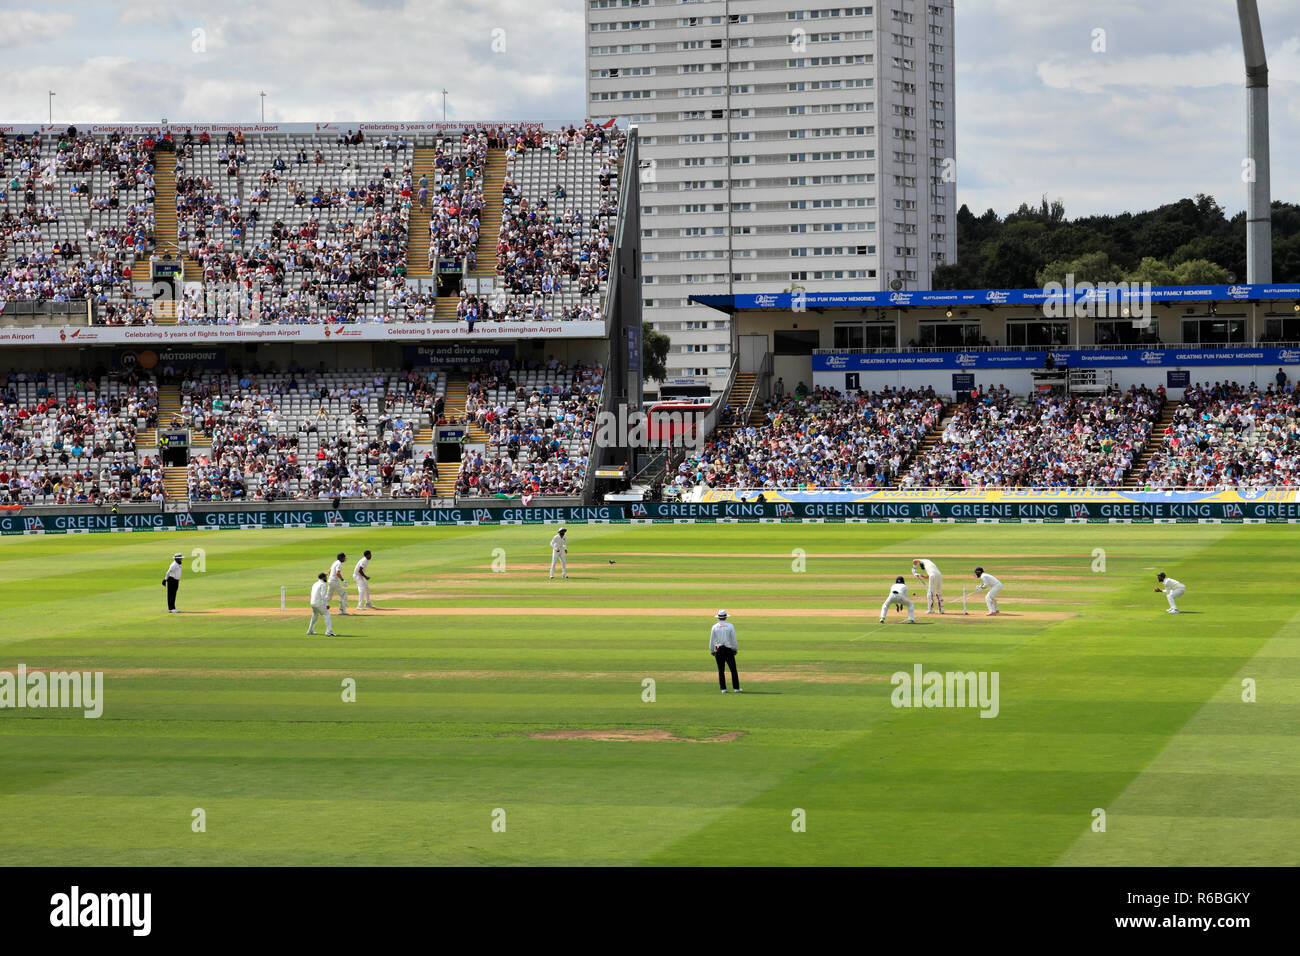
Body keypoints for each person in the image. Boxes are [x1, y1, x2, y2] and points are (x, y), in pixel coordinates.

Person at [709, 609, 741, 693]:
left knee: (721, 670)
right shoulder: (730, 626)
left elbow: (712, 640)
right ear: (725, 617)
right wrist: (735, 649)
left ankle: (723, 689)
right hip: (728, 650)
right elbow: (733, 639)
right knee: (733, 669)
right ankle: (736, 688)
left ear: (718, 617)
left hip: (719, 650)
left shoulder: (714, 626)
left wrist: (711, 650)